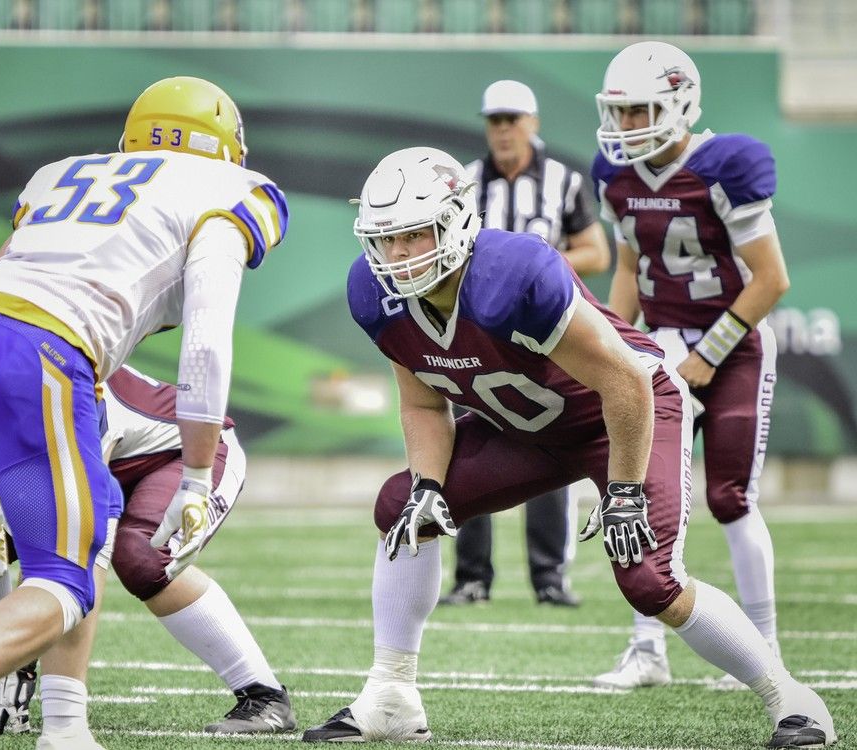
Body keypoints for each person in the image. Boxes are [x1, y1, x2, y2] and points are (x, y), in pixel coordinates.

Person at [301, 146, 834, 748]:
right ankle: (392, 695)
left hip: (626, 413)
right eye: (385, 239)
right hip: (529, 430)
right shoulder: (375, 295)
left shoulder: (515, 274)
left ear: (454, 222)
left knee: (648, 579)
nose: (397, 255)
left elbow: (626, 381)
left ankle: (792, 699)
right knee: (403, 508)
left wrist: (624, 492)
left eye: (413, 235)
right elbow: (424, 403)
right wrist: (427, 485)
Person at [0, 75, 288, 750]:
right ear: (226, 149)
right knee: (68, 577)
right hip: (44, 353)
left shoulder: (62, 176)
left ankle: (63, 727)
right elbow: (206, 341)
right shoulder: (227, 189)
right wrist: (196, 477)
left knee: (83, 550)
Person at [590, 40, 789, 692]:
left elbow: (771, 279)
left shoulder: (725, 166)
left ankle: (764, 648)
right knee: (636, 494)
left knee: (730, 498)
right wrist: (613, 349)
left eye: (641, 110)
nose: (627, 125)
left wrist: (706, 357)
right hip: (662, 346)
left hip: (734, 346)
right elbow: (628, 268)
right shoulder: (615, 174)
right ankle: (646, 648)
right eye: (620, 111)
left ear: (679, 104)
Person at [441, 79, 611, 607]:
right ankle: (471, 577)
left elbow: (596, 252)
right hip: (476, 333)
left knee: (552, 444)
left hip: (545, 334)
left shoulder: (563, 181)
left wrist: (533, 272)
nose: (503, 130)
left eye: (512, 119)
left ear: (532, 123)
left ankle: (549, 577)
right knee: (468, 448)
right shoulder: (464, 183)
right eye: (494, 120)